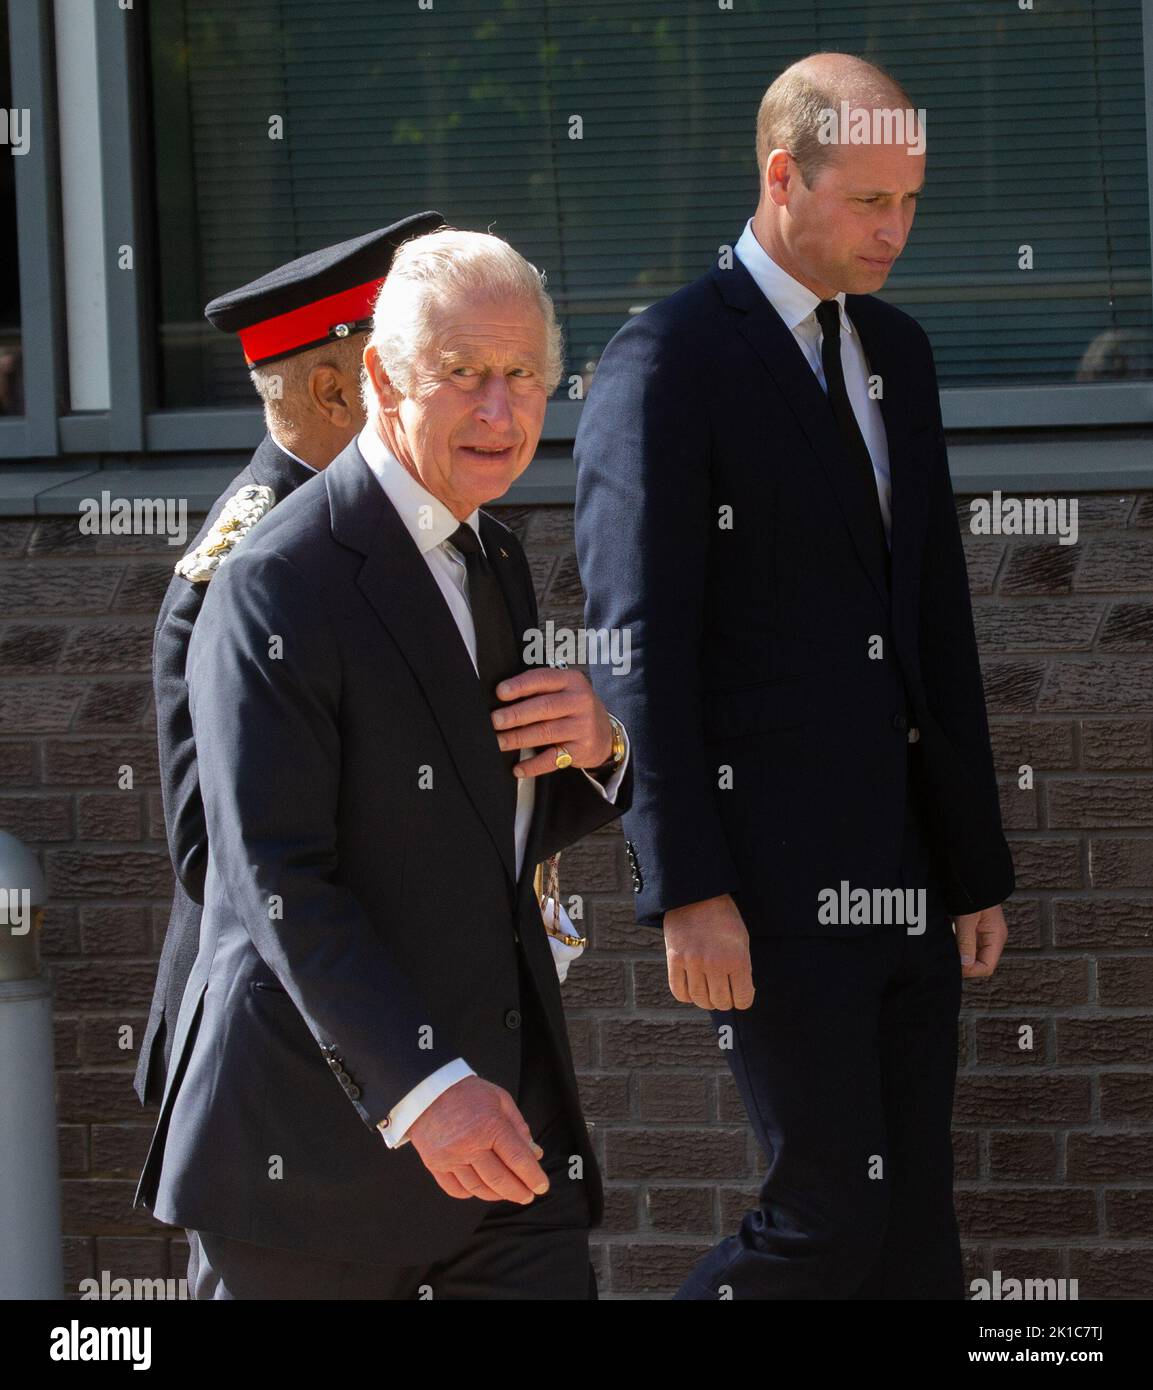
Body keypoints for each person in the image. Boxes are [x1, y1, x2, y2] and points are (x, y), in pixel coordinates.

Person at [574, 52, 1014, 1300]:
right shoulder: (667, 361)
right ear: (782, 177)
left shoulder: (898, 353)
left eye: (913, 200)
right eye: (872, 201)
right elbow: (635, 641)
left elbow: (934, 618)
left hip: (910, 874)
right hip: (766, 884)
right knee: (824, 1219)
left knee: (916, 1236)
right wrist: (686, 888)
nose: (899, 228)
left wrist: (968, 860)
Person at [134, 228, 632, 1300]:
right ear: (373, 378)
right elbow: (268, 871)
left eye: (523, 377)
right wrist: (421, 1084)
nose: (500, 414)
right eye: (460, 377)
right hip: (317, 1157)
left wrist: (604, 747)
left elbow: (470, 811)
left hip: (502, 1140)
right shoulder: (272, 577)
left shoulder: (488, 550)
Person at [134, 212, 444, 1107]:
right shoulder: (243, 570)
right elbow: (214, 853)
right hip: (276, 1068)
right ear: (335, 392)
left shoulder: (411, 534)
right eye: (405, 374)